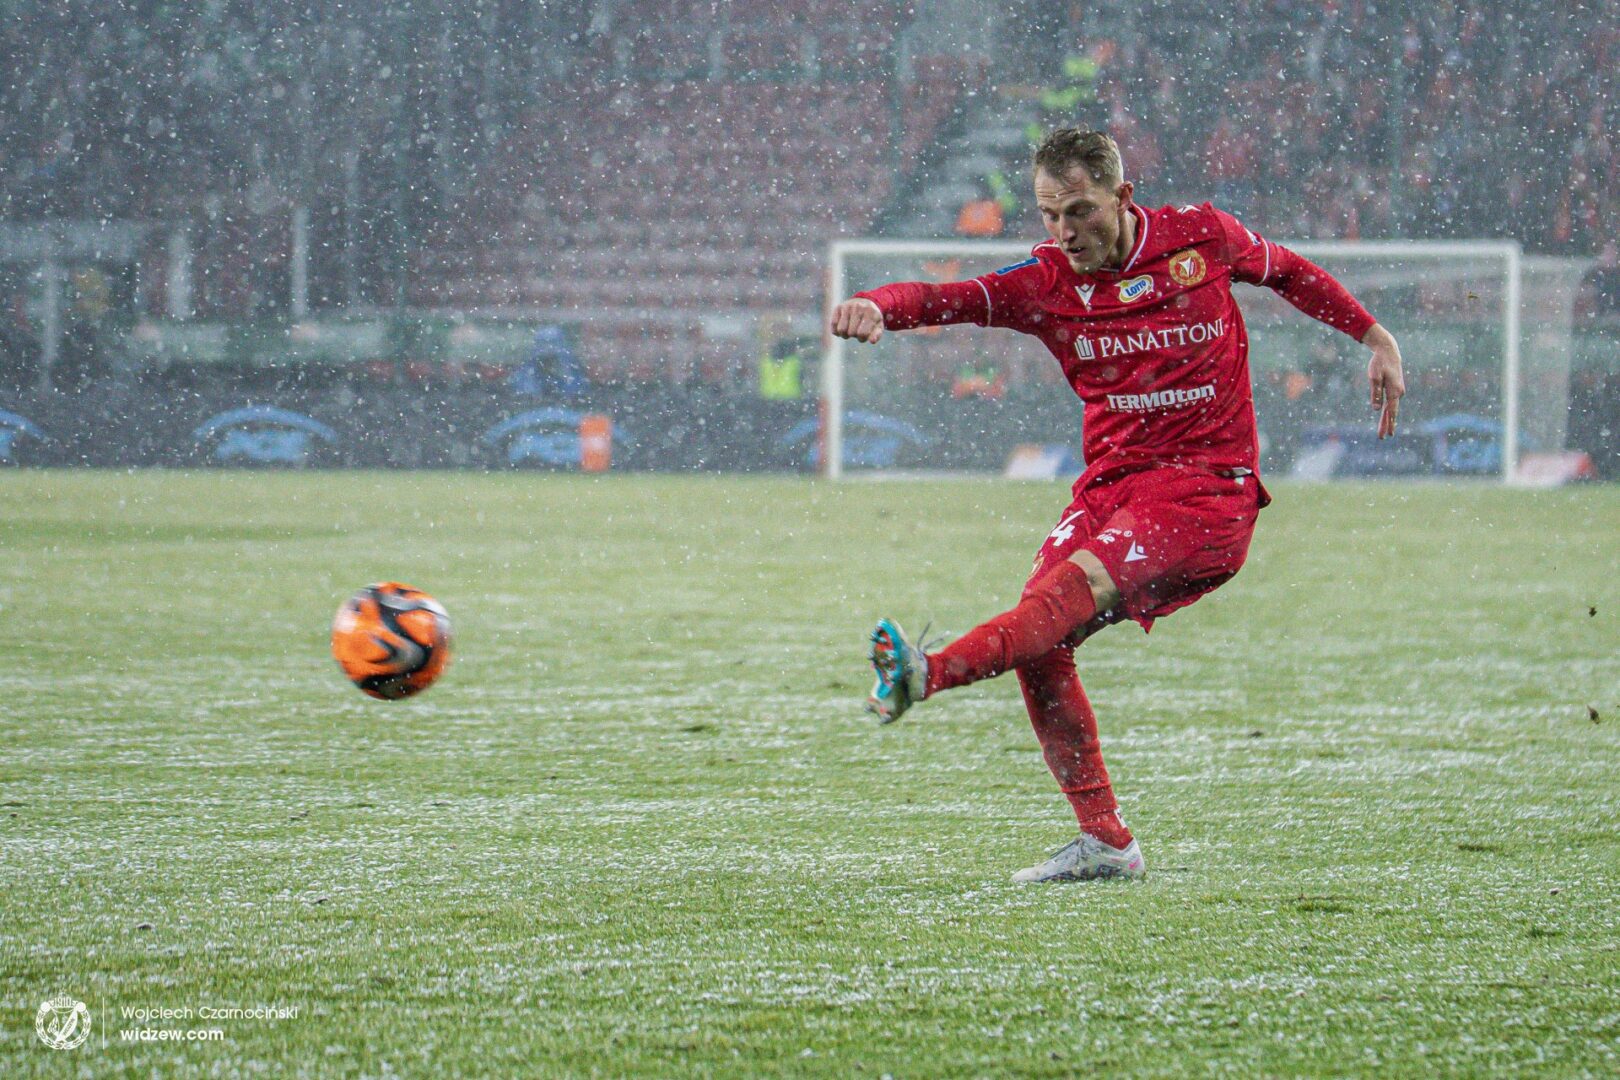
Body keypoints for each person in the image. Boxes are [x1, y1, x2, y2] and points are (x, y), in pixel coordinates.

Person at [829, 129, 1405, 884]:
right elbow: (950, 298)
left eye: (1079, 212)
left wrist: (1375, 334)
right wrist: (877, 303)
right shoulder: (1046, 281)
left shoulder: (1201, 237)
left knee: (1062, 599)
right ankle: (1105, 842)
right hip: (1110, 488)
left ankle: (925, 674)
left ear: (1123, 198)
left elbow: (1290, 272)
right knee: (1043, 636)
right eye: (1048, 215)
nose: (1064, 233)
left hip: (1207, 490)